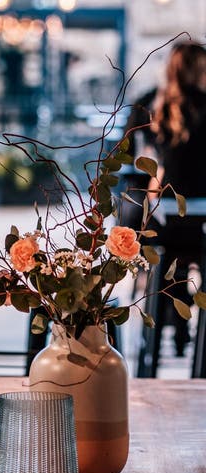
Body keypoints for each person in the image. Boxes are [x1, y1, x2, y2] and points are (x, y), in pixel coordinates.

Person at [148, 41, 206, 356]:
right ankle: (199, 341)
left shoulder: (154, 104)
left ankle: (179, 331)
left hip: (167, 219)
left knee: (174, 260)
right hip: (202, 223)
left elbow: (128, 155)